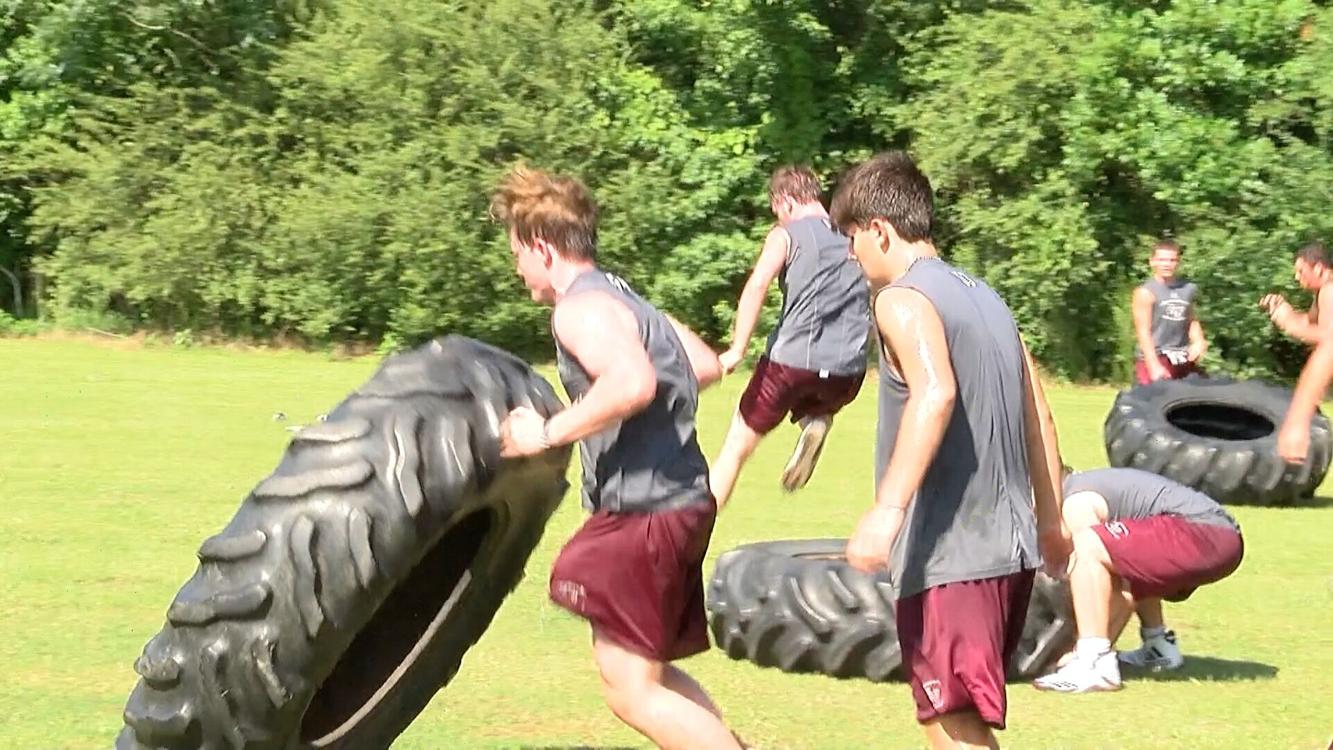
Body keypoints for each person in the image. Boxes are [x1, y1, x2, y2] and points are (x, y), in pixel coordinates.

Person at [491, 166, 743, 750]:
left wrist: (547, 434)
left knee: (629, 686)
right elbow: (703, 364)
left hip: (646, 511)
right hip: (679, 501)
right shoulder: (621, 295)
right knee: (647, 673)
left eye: (517, 253)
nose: (516, 268)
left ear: (541, 247)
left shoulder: (579, 310)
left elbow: (632, 382)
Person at [831, 151, 1070, 750]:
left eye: (851, 240)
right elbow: (1038, 412)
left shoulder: (901, 300)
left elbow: (935, 394)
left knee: (953, 722)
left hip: (953, 552)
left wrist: (886, 512)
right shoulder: (990, 300)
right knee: (951, 717)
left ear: (878, 231)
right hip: (1007, 552)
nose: (852, 256)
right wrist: (1051, 521)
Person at [710, 166, 869, 507]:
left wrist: (737, 348)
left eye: (777, 213)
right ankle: (816, 419)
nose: (779, 219)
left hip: (791, 362)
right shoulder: (857, 237)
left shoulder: (786, 235)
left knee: (736, 446)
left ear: (786, 202)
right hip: (847, 373)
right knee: (813, 397)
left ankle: (689, 536)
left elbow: (757, 285)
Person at [1034, 467, 1244, 693]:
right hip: (1219, 535)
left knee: (1087, 545)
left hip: (1206, 533)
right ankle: (1158, 647)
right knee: (1121, 550)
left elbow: (1114, 590)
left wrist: (1074, 653)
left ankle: (1094, 664)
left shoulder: (1075, 502)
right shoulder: (1083, 484)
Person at [1132, 239, 1208, 385]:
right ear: (1152, 262)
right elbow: (1143, 332)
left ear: (1178, 262)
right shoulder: (1145, 292)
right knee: (1155, 402)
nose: (1167, 264)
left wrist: (1199, 341)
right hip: (1157, 356)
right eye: (1162, 260)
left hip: (1182, 356)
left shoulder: (1188, 288)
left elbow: (1191, 318)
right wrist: (1153, 366)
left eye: (1172, 260)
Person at [1260, 240, 1333, 344]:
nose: (1297, 277)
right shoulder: (1322, 292)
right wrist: (1287, 314)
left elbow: (1329, 338)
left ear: (1318, 268)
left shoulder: (1329, 290)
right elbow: (1312, 324)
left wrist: (1289, 323)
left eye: (1301, 271)